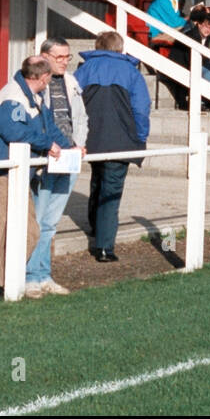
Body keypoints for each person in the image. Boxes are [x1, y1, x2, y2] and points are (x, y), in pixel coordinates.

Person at [0, 57, 72, 304]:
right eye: (49, 77)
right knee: (0, 228)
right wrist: (47, 144)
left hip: (19, 174)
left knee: (29, 231)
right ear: (43, 78)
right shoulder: (13, 98)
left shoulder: (34, 99)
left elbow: (48, 129)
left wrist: (70, 147)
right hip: (3, 173)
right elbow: (14, 132)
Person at [75, 32, 150, 263]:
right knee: (112, 190)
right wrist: (140, 137)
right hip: (120, 139)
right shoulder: (131, 72)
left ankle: (95, 226)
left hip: (92, 137)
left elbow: (74, 102)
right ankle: (105, 247)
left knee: (97, 178)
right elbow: (141, 108)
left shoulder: (84, 70)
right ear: (120, 48)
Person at [25, 39, 88, 298]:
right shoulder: (35, 85)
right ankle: (29, 277)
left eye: (67, 57)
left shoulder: (72, 82)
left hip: (69, 158)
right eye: (59, 57)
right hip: (44, 159)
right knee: (37, 221)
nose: (64, 61)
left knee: (51, 223)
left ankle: (44, 275)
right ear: (44, 56)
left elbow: (81, 117)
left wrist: (80, 145)